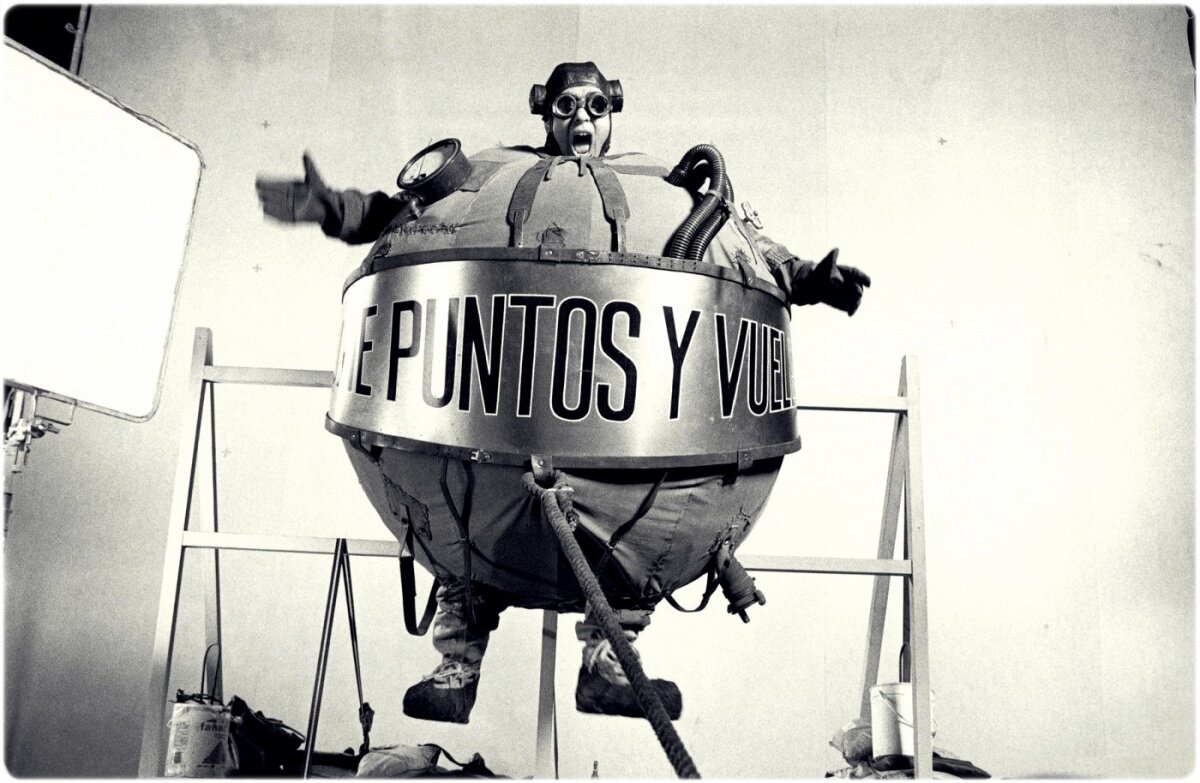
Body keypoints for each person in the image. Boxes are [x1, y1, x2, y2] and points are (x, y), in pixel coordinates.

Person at [256, 61, 870, 725]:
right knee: (463, 542)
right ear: (543, 111)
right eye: (567, 106)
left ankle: (608, 666)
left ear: (613, 112)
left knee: (626, 556)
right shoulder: (488, 177)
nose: (581, 120)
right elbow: (398, 216)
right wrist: (332, 208)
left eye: (596, 107)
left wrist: (813, 278)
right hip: (479, 471)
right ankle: (457, 667)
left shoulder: (669, 191)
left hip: (628, 478)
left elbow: (751, 250)